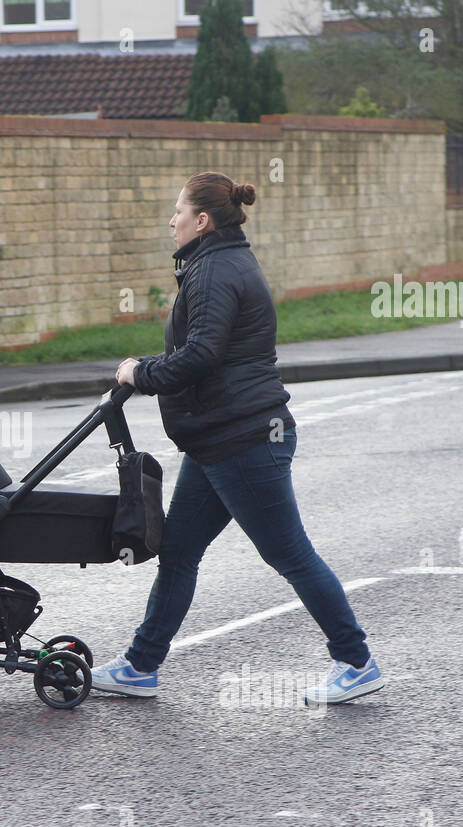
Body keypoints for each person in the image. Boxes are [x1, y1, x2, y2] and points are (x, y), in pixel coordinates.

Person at [89, 171, 386, 706]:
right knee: (178, 553)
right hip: (219, 441)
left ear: (202, 220)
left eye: (178, 211)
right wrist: (150, 369)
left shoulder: (214, 272)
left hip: (243, 441)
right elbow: (209, 352)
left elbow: (201, 356)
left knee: (289, 554)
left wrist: (140, 372)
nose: (171, 220)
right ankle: (140, 666)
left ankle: (356, 660)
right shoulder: (218, 263)